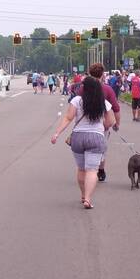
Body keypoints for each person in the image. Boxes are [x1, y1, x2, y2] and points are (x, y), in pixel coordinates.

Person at [52, 76, 116, 209]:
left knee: (81, 169)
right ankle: (88, 198)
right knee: (92, 170)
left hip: (78, 138)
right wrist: (102, 126)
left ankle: (82, 195)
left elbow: (68, 118)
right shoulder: (104, 103)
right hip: (96, 137)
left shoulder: (76, 100)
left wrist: (57, 133)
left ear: (84, 88)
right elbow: (111, 122)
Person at [72, 63, 121, 182]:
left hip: (83, 124)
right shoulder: (107, 89)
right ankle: (100, 170)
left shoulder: (83, 88)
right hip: (102, 124)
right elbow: (116, 108)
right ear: (102, 75)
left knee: (84, 150)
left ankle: (87, 171)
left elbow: (77, 104)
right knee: (101, 149)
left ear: (89, 73)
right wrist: (116, 124)